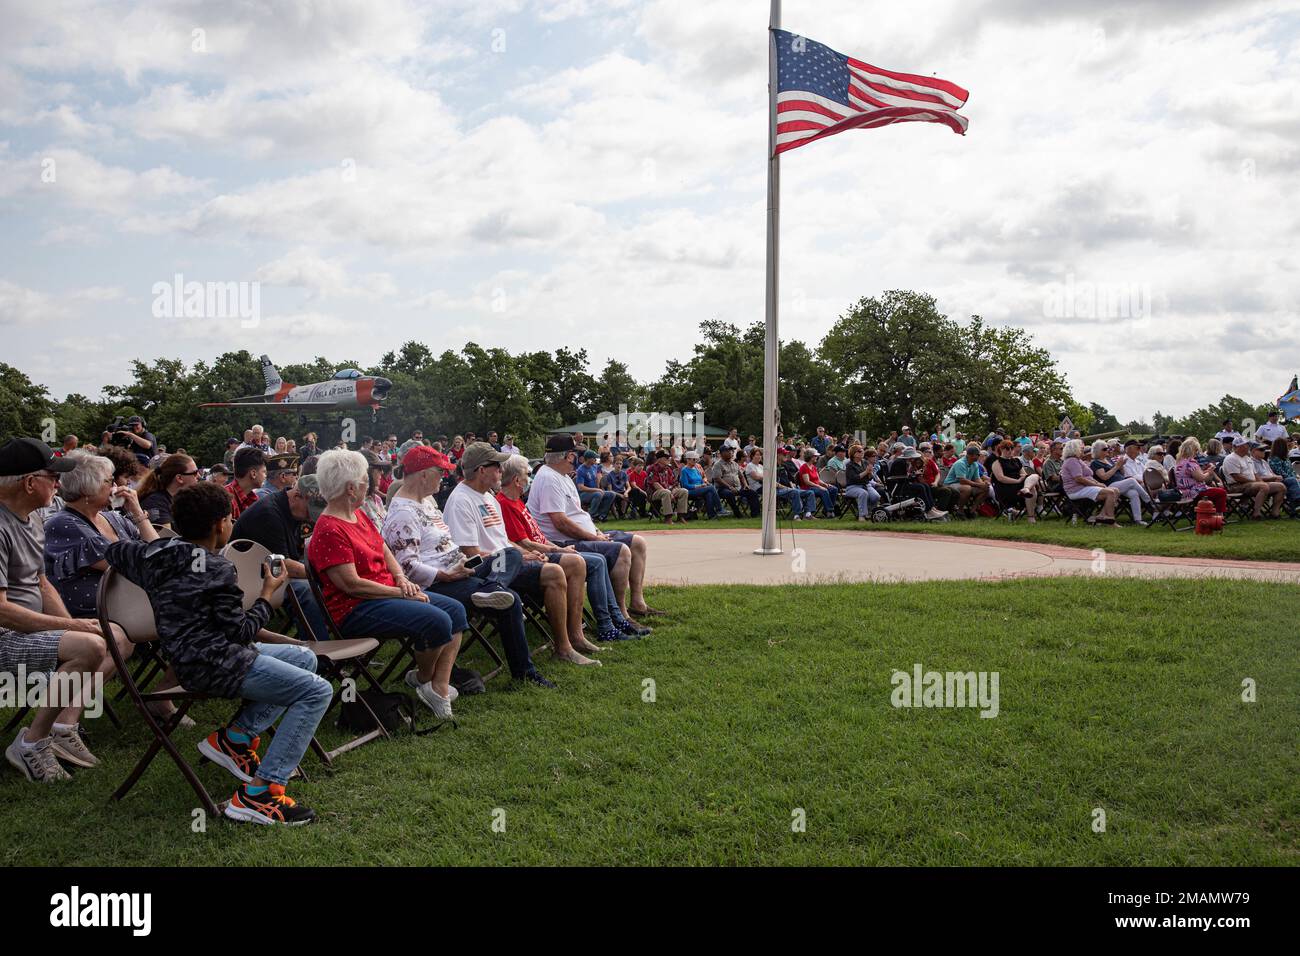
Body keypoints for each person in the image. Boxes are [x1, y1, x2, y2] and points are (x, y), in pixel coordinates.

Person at [108, 482, 329, 825]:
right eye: (230, 518)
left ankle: (236, 738)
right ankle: (260, 794)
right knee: (317, 690)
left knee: (306, 659)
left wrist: (139, 524)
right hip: (217, 664)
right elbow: (241, 632)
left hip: (188, 659)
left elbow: (116, 552)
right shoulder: (217, 570)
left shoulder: (151, 555)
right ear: (219, 525)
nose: (231, 523)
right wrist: (267, 596)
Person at [383, 446, 594, 672]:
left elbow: (454, 547)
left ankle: (495, 588)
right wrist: (447, 574)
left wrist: (521, 555)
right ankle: (525, 671)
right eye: (440, 471)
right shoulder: (404, 513)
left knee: (511, 554)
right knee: (511, 597)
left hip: (462, 566)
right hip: (441, 581)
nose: (444, 477)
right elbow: (407, 567)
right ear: (424, 474)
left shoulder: (426, 504)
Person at [2, 439, 130, 782]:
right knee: (89, 644)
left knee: (116, 633)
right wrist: (73, 629)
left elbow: (41, 582)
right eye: (52, 477)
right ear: (30, 483)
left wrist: (74, 624)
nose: (59, 485)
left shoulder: (30, 520)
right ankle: (32, 742)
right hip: (5, 635)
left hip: (24, 630)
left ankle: (62, 726)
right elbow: (2, 611)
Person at [308, 449, 469, 716]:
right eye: (364, 481)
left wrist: (401, 578)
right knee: (437, 620)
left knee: (455, 610)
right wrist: (400, 593)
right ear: (351, 488)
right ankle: (423, 679)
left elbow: (382, 547)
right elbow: (352, 585)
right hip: (355, 609)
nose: (369, 486)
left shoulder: (356, 514)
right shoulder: (329, 529)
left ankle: (435, 685)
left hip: (383, 594)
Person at [497, 454, 648, 648]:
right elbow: (524, 543)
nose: (530, 479)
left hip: (549, 548)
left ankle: (614, 620)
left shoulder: (517, 501)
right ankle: (606, 625)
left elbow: (536, 536)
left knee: (598, 560)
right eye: (527, 474)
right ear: (517, 480)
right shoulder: (505, 503)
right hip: (538, 555)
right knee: (595, 561)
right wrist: (557, 548)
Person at [440, 442, 559, 685]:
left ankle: (564, 644)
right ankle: (493, 590)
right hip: (477, 566)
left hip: (503, 565)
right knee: (545, 571)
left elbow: (503, 541)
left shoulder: (489, 498)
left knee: (556, 569)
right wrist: (512, 556)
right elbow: (469, 552)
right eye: (497, 466)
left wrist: (524, 553)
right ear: (482, 470)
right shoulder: (461, 500)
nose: (501, 471)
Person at [527, 436, 663, 620]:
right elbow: (560, 522)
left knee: (637, 542)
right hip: (565, 542)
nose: (578, 458)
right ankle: (621, 615)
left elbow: (576, 514)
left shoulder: (562, 476)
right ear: (569, 456)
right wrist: (593, 538)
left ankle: (637, 603)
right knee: (621, 551)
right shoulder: (549, 478)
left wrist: (596, 531)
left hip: (584, 535)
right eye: (576, 454)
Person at [43, 450, 161, 620]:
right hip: (95, 618)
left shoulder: (113, 517)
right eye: (110, 481)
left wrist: (137, 512)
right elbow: (138, 565)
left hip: (130, 608)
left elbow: (159, 554)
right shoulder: (63, 524)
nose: (117, 487)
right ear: (87, 488)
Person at [230, 473, 332, 642]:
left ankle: (335, 639)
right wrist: (323, 574)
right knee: (307, 590)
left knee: (328, 579)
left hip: (272, 569)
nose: (311, 517)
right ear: (296, 495)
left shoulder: (294, 510)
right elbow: (283, 564)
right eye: (310, 510)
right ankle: (322, 657)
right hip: (251, 577)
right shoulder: (268, 514)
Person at [1221, 437, 1283, 518]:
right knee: (1263, 487)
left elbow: (1255, 474)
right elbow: (1237, 477)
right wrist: (1256, 482)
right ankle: (1256, 513)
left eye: (1247, 444)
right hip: (1236, 486)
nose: (1247, 446)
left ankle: (1275, 512)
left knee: (1280, 487)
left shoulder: (1247, 458)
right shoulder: (1231, 458)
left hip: (1251, 484)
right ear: (1236, 447)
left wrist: (1260, 482)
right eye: (1245, 445)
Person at [1060, 439, 1119, 524]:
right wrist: (1096, 485)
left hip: (1084, 487)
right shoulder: (1072, 461)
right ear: (1075, 449)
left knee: (1115, 490)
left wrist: (1098, 484)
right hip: (1076, 490)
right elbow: (1079, 479)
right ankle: (1110, 520)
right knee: (1110, 492)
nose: (1082, 449)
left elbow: (1089, 476)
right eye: (1081, 448)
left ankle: (1102, 516)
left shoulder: (1078, 460)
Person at [136, 453, 201, 527]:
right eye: (195, 473)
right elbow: (165, 537)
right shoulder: (155, 502)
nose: (199, 476)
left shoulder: (186, 499)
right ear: (179, 478)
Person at [887, 447, 946, 519]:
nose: (913, 459)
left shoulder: (905, 462)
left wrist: (914, 474)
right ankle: (928, 510)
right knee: (921, 487)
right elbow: (900, 477)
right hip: (898, 487)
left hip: (903, 484)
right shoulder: (900, 463)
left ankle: (931, 508)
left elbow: (906, 476)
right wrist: (914, 475)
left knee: (925, 485)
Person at [989, 440, 1039, 523]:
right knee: (1032, 489)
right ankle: (1030, 517)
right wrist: (1017, 480)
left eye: (1011, 448)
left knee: (1035, 476)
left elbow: (1024, 474)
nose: (1010, 450)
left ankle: (1030, 515)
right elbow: (1001, 478)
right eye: (1007, 448)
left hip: (1020, 485)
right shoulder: (997, 462)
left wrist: (1022, 478)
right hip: (1006, 488)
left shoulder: (1016, 461)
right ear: (1001, 449)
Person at [1172, 438, 1227, 514]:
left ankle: (1209, 513)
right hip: (1194, 492)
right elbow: (1201, 478)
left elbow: (1194, 476)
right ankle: (1219, 515)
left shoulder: (1180, 462)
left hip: (1184, 491)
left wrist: (1206, 472)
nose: (1197, 452)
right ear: (1192, 450)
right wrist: (1210, 472)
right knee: (1221, 492)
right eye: (1196, 450)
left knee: (1215, 491)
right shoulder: (1190, 462)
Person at [943, 444, 990, 516]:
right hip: (950, 484)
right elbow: (962, 480)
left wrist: (983, 484)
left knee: (986, 489)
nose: (979, 456)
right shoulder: (960, 463)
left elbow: (977, 478)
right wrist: (979, 485)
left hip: (963, 484)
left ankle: (972, 510)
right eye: (977, 455)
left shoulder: (975, 464)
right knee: (966, 488)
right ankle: (960, 511)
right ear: (970, 455)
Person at [711, 445, 759, 517]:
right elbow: (717, 479)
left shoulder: (735, 464)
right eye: (728, 451)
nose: (731, 452)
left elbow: (741, 476)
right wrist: (729, 487)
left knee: (752, 493)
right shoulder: (718, 464)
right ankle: (737, 513)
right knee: (729, 494)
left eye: (731, 451)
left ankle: (755, 515)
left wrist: (745, 485)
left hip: (737, 487)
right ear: (721, 453)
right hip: (722, 488)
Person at [645, 449, 689, 523]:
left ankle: (681, 517)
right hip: (654, 492)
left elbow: (674, 482)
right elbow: (655, 484)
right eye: (665, 457)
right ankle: (668, 518)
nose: (668, 459)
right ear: (659, 459)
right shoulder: (652, 468)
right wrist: (670, 492)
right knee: (666, 492)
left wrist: (674, 490)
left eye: (668, 457)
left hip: (668, 491)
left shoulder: (668, 469)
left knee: (684, 491)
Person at [225, 447, 266, 521]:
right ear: (253, 474)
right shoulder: (225, 499)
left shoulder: (253, 498)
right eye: (264, 472)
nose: (265, 476)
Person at [574, 449, 617, 521]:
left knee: (611, 494)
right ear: (588, 459)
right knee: (598, 494)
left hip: (595, 491)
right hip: (583, 494)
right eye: (594, 458)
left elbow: (597, 477)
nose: (595, 459)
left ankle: (601, 515)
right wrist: (597, 489)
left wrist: (599, 485)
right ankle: (591, 516)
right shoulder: (581, 470)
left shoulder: (594, 466)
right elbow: (581, 487)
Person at [776, 448, 816, 519]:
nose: (786, 455)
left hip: (789, 489)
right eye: (784, 454)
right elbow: (774, 483)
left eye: (786, 454)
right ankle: (797, 515)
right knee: (795, 492)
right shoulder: (773, 467)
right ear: (778, 455)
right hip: (778, 490)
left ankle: (808, 514)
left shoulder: (784, 466)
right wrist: (787, 487)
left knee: (810, 492)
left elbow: (791, 479)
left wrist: (793, 485)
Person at [798, 448, 839, 518]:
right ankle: (830, 511)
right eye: (815, 456)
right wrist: (819, 486)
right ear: (810, 457)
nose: (817, 457)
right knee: (823, 491)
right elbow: (807, 482)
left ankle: (826, 510)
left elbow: (818, 480)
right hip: (808, 487)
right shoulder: (803, 467)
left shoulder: (813, 467)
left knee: (833, 489)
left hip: (816, 486)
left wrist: (825, 484)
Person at [843, 445, 880, 521]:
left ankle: (870, 513)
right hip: (852, 487)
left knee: (876, 496)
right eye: (859, 451)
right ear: (854, 454)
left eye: (862, 450)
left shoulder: (865, 462)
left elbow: (869, 478)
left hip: (865, 485)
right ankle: (862, 516)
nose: (862, 452)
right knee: (863, 493)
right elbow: (855, 478)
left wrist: (870, 473)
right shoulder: (849, 465)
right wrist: (866, 472)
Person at [1267, 437, 1300, 502]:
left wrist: (1296, 476)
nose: (1287, 446)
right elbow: (1279, 472)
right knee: (1292, 480)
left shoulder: (1286, 458)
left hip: (1289, 478)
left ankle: (1294, 504)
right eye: (1286, 445)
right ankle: (1297, 501)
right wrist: (1293, 477)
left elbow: (1291, 470)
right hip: (1280, 480)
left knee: (1296, 479)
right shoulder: (1274, 458)